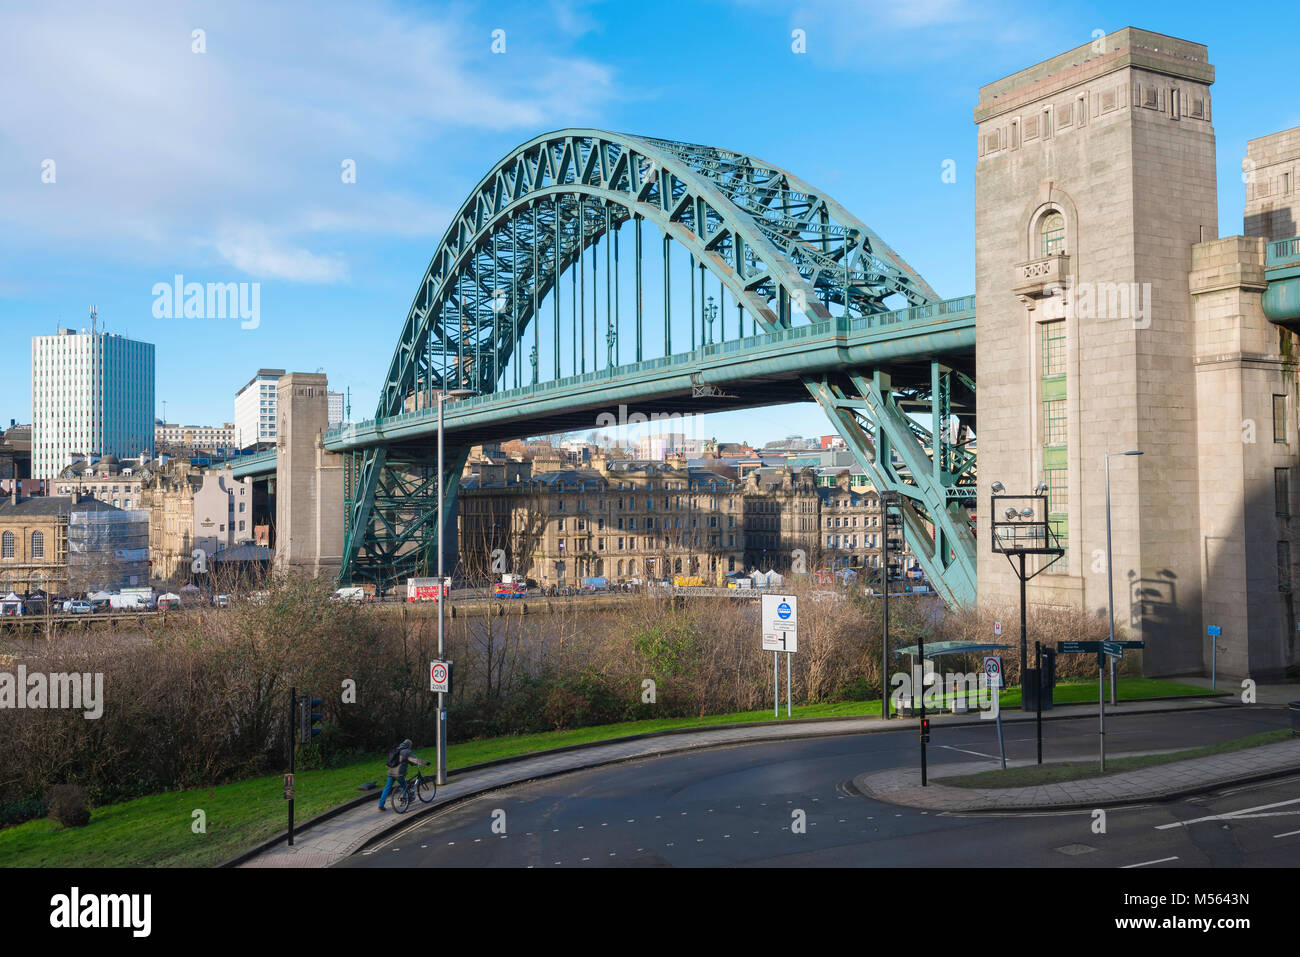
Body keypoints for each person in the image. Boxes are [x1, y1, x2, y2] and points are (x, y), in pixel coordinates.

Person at [377, 738, 430, 810]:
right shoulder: (406, 751)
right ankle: (405, 799)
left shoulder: (397, 749)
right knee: (405, 786)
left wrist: (412, 764)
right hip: (399, 774)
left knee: (387, 788)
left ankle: (380, 805)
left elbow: (404, 760)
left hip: (390, 772)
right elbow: (415, 760)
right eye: (411, 746)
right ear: (409, 745)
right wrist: (425, 763)